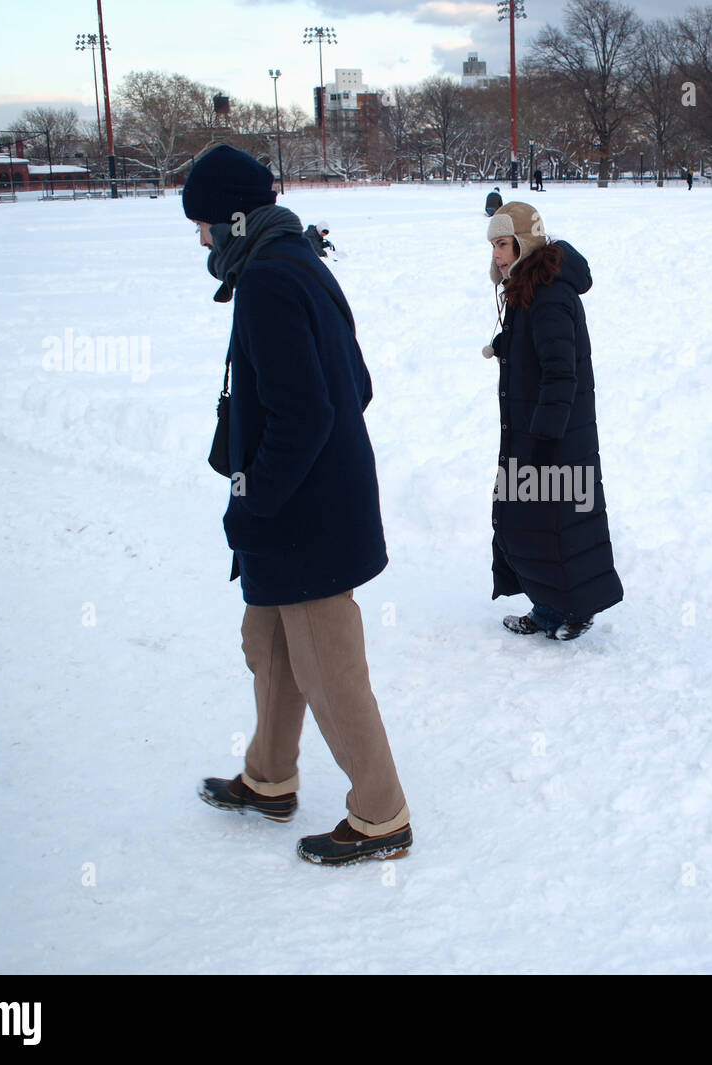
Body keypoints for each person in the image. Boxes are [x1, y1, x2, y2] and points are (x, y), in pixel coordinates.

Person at [182, 145, 411, 867]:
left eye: (205, 222)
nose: (200, 238)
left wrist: (257, 503)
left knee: (329, 668)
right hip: (308, 508)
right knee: (270, 647)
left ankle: (382, 815)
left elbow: (306, 414)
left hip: (304, 521)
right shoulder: (296, 262)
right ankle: (270, 777)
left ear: (234, 219)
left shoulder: (270, 282)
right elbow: (357, 384)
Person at [482, 202, 623, 640]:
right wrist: (509, 344)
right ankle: (549, 607)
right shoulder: (532, 287)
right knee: (536, 524)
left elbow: (562, 372)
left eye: (503, 244)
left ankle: (574, 609)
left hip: (553, 435)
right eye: (492, 246)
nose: (497, 255)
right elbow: (544, 351)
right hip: (540, 430)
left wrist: (542, 439)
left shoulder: (548, 294)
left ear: (525, 242)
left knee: (560, 525)